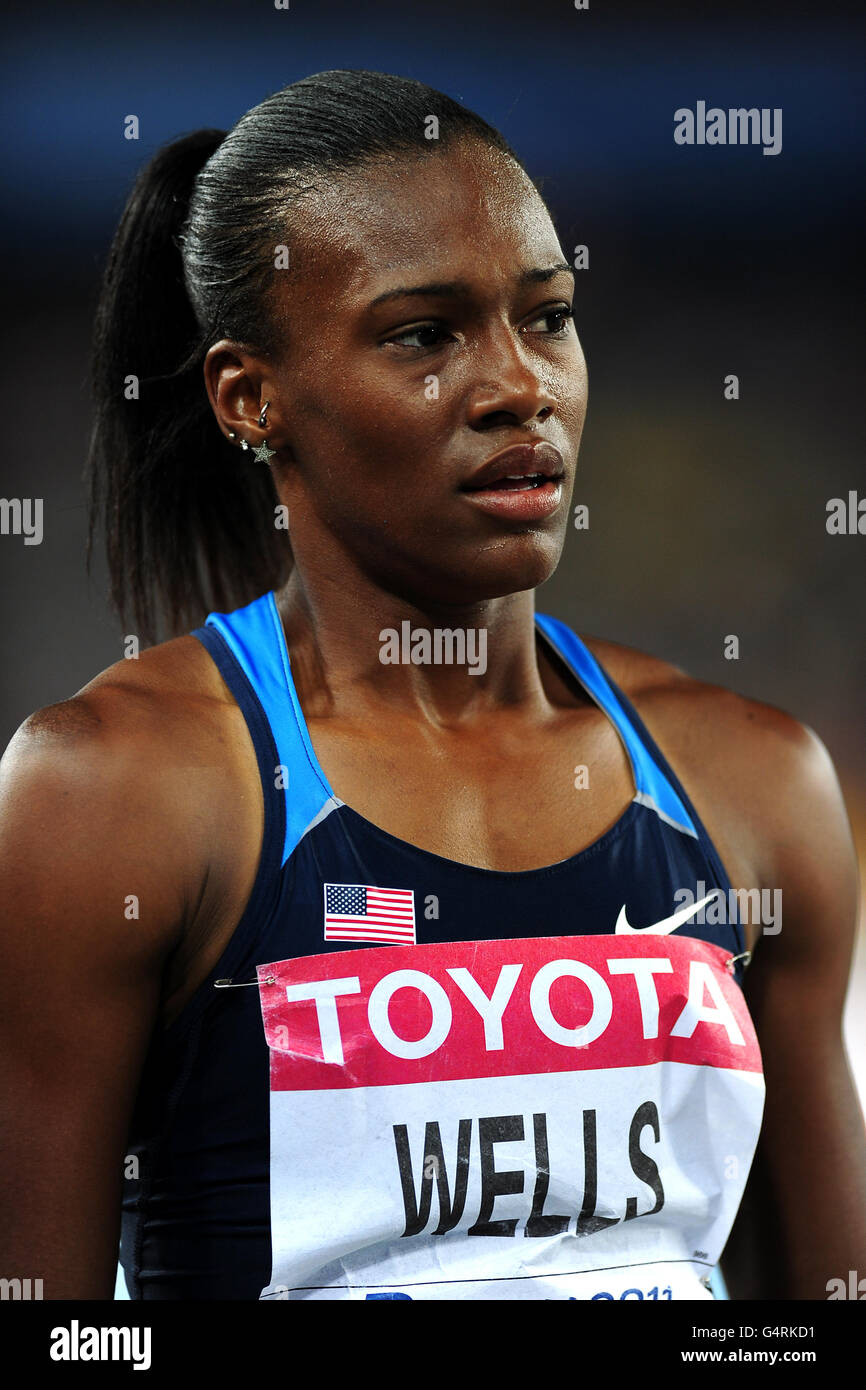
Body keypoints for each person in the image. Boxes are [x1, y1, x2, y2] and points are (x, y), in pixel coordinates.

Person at [1, 69, 864, 1302]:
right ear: (251, 397)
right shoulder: (117, 791)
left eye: (548, 315)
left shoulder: (750, 780)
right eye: (423, 334)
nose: (522, 386)